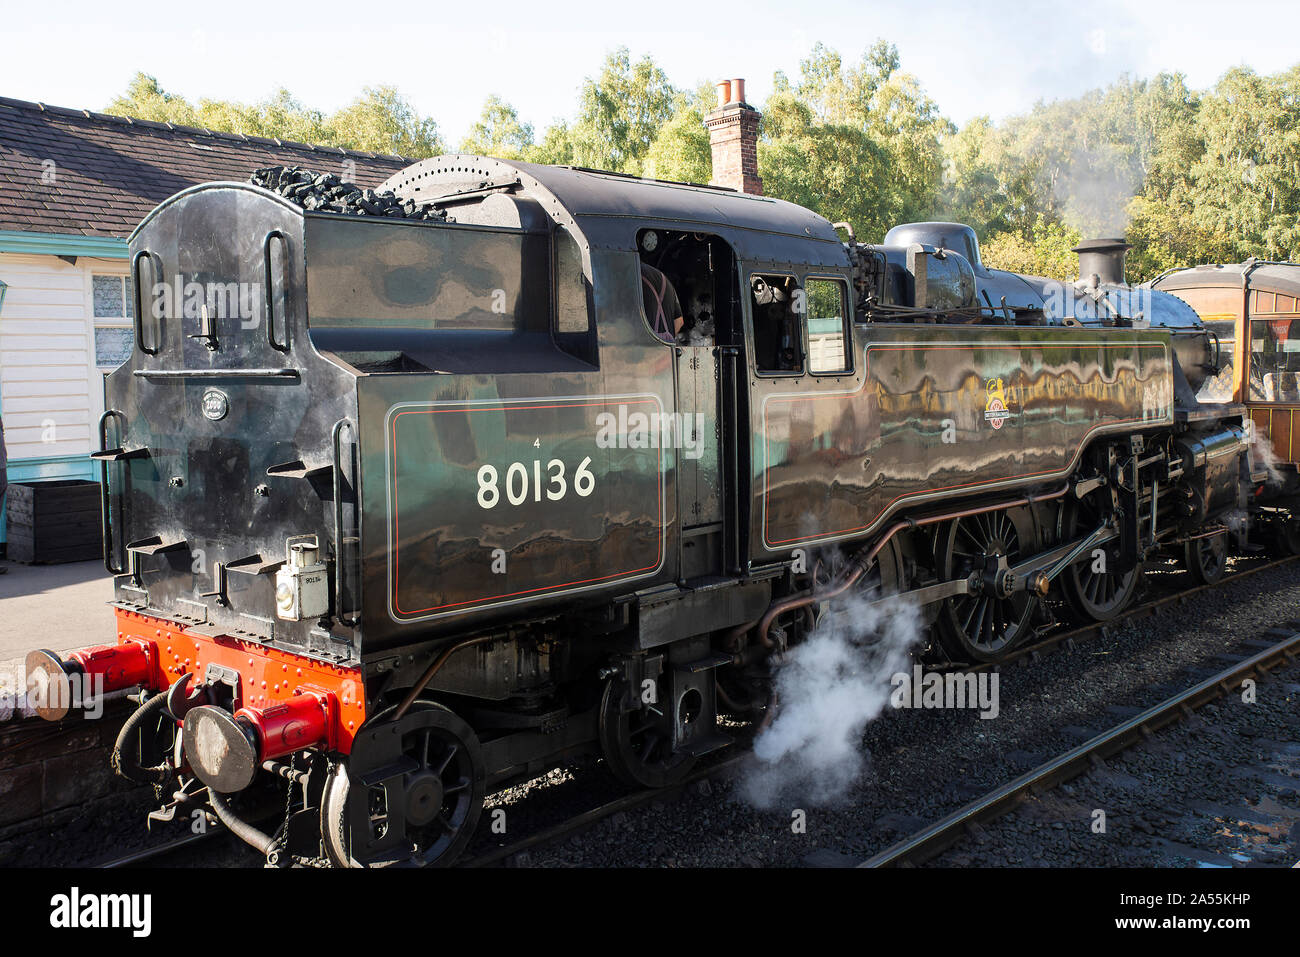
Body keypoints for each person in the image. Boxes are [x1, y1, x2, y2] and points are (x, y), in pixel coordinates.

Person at [641, 263, 684, 343]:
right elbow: (679, 321)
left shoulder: (630, 276)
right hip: (666, 351)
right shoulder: (665, 280)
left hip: (644, 349)